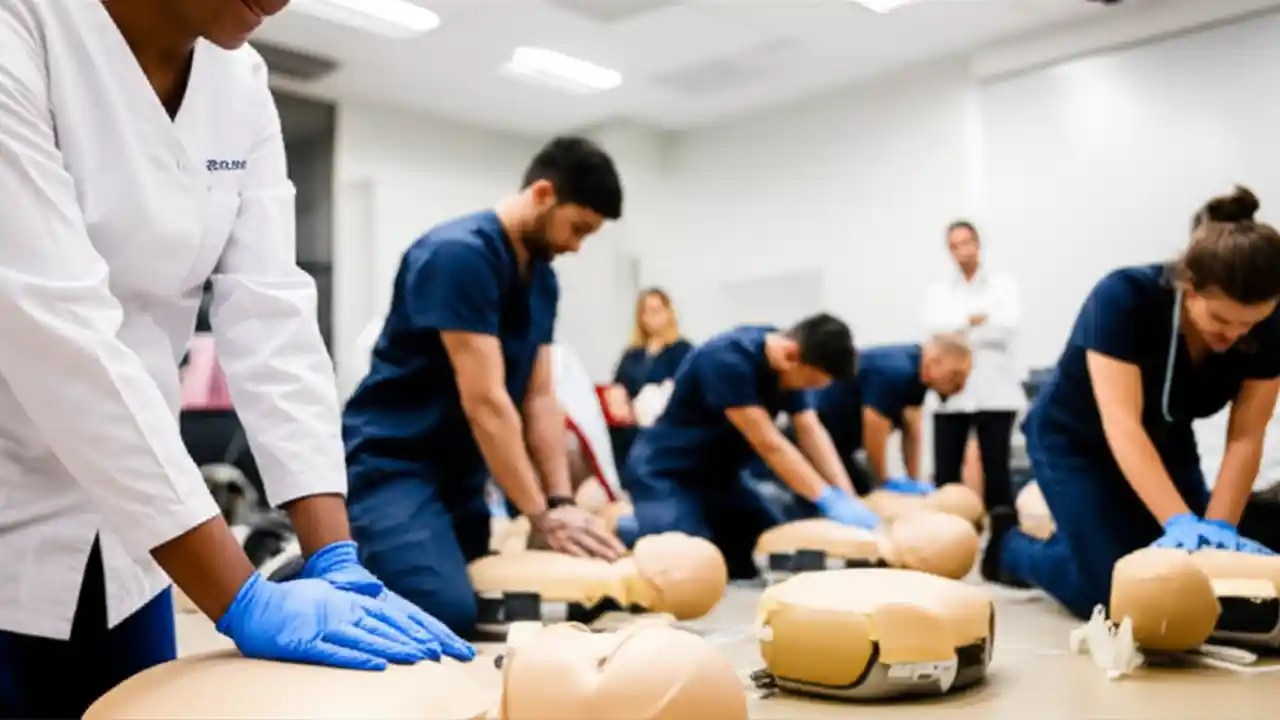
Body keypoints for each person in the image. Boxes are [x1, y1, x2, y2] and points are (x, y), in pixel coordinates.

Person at [0, 0, 468, 715]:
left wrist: (335, 558)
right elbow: (57, 330)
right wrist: (243, 597)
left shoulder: (240, 81)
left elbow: (272, 317)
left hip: (140, 535)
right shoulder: (23, 27)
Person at [340, 136, 628, 637]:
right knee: (442, 612)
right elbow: (487, 403)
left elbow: (540, 398)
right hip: (394, 464)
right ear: (542, 193)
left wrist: (560, 503)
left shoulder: (542, 280)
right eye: (577, 228)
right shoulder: (458, 255)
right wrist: (538, 514)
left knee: (487, 592)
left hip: (459, 477)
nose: (577, 246)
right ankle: (315, 566)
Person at [987, 186, 1280, 619]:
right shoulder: (1123, 298)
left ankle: (1085, 538)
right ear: (1189, 287)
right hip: (1075, 441)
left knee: (1196, 578)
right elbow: (1122, 424)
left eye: (1249, 324)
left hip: (1166, 439)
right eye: (1220, 319)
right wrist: (1180, 523)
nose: (1234, 335)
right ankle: (1009, 547)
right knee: (1111, 592)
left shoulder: (1269, 325)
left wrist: (1218, 530)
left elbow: (1246, 437)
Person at [619, 315, 877, 579]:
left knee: (762, 544)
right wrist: (826, 498)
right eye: (811, 383)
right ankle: (632, 529)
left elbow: (810, 429)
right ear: (791, 355)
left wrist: (847, 497)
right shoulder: (726, 360)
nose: (809, 390)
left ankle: (661, 524)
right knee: (690, 562)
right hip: (666, 473)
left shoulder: (793, 357)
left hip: (720, 478)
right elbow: (769, 443)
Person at [922, 221, 1025, 512]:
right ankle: (946, 535)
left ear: (978, 244)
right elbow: (935, 329)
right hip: (951, 394)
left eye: (966, 243)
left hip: (995, 389)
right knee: (946, 473)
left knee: (997, 473)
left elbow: (1007, 326)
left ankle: (1000, 544)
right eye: (954, 246)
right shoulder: (939, 290)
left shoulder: (1003, 284)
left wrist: (958, 329)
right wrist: (974, 319)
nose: (962, 251)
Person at [811, 336, 973, 497]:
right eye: (956, 377)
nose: (959, 387)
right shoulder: (896, 371)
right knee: (857, 494)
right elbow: (874, 432)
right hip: (817, 433)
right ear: (936, 362)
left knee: (863, 488)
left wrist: (913, 481)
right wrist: (882, 483)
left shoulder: (920, 375)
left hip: (841, 442)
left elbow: (912, 429)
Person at [603, 288, 694, 467]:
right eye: (647, 312)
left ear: (668, 313)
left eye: (657, 311)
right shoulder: (632, 354)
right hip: (630, 427)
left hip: (664, 425)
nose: (652, 317)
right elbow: (618, 385)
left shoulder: (683, 351)